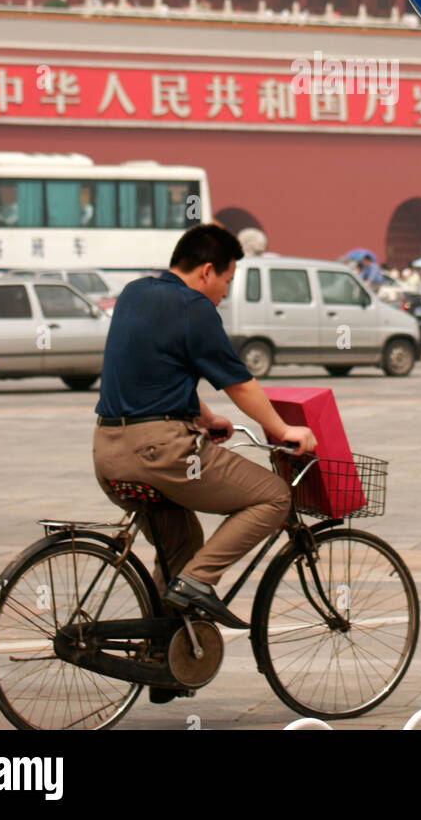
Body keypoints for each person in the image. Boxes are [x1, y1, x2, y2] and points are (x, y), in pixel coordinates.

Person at [92, 222, 316, 654]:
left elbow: (155, 370)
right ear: (207, 271)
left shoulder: (136, 292)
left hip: (107, 452)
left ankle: (162, 654)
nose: (225, 294)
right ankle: (198, 583)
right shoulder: (194, 307)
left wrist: (205, 417)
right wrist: (283, 429)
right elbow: (241, 384)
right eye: (227, 282)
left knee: (184, 543)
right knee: (273, 497)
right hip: (159, 452)